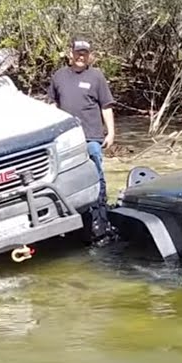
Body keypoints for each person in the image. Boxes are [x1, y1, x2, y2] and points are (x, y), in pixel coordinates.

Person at [47, 38, 116, 242]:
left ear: (90, 56)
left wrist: (111, 132)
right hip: (65, 140)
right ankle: (70, 222)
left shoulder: (96, 76)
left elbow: (106, 106)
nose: (81, 56)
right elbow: (51, 105)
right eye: (78, 52)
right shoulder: (59, 76)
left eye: (85, 53)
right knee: (66, 179)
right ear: (71, 54)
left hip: (92, 137)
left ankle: (100, 219)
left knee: (97, 177)